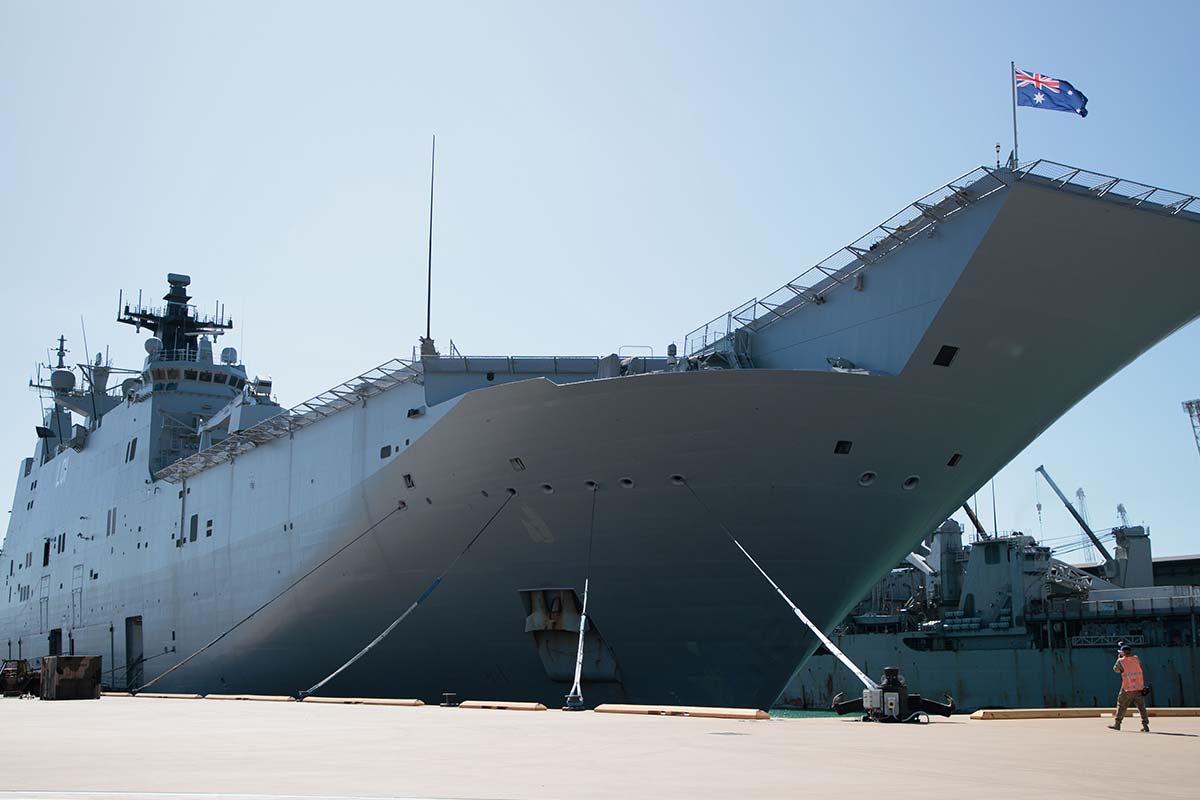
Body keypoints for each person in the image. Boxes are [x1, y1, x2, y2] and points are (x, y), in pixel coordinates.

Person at [1107, 644, 1149, 732]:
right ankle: (1145, 725)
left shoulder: (1121, 661)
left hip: (1127, 687)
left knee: (1121, 705)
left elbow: (1116, 670)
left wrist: (1119, 659)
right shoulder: (1136, 659)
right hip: (1138, 687)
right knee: (1141, 707)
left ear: (1123, 653)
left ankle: (1117, 724)